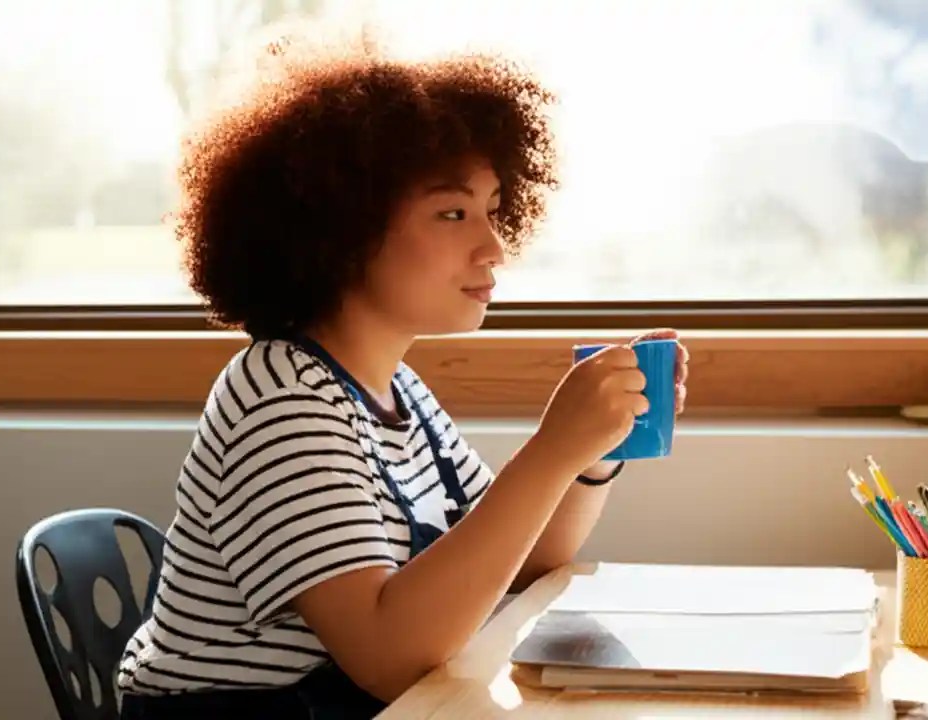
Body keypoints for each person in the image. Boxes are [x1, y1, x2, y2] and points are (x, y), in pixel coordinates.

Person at [117, 35, 688, 720]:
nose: (494, 245)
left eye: (492, 209)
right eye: (453, 213)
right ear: (340, 231)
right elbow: (389, 659)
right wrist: (551, 450)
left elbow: (521, 562)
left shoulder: (394, 391)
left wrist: (595, 454)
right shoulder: (280, 401)